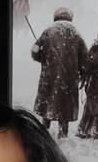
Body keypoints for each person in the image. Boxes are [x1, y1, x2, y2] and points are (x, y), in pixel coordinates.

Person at [31, 7, 88, 140]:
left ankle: (45, 131)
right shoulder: (77, 33)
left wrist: (43, 59)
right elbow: (85, 58)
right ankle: (63, 134)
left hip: (49, 76)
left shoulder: (47, 31)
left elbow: (34, 51)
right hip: (69, 79)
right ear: (70, 17)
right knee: (65, 107)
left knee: (48, 105)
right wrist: (83, 76)